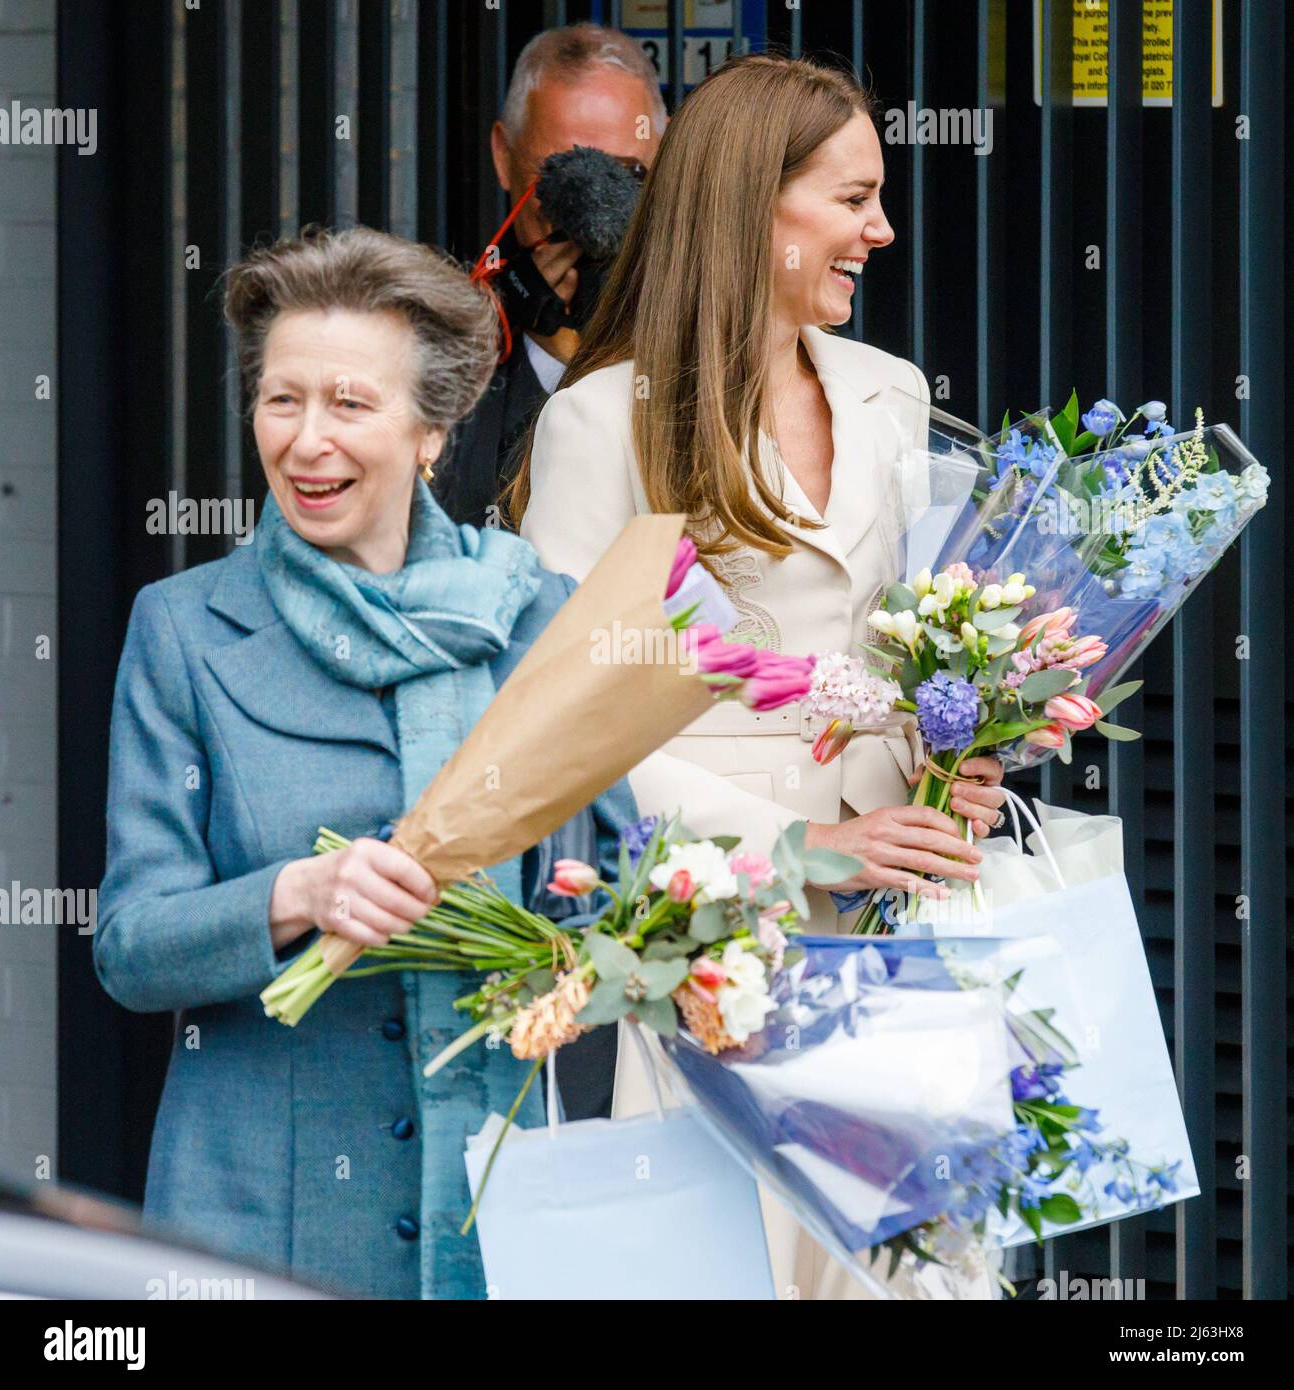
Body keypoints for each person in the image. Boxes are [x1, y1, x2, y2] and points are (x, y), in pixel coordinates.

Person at [511, 53, 1008, 1300]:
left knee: (911, 1275)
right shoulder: (600, 422)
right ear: (752, 204)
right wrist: (799, 845)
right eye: (852, 199)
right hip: (711, 943)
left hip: (901, 933)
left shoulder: (890, 393)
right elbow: (565, 718)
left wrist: (960, 756)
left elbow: (905, 647)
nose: (880, 231)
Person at [94, 226, 635, 1300]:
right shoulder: (186, 629)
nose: (304, 441)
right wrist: (301, 892)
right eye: (280, 400)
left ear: (433, 431)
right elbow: (131, 947)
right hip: (256, 1220)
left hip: (495, 1201)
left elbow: (605, 896)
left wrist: (610, 939)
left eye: (349, 404)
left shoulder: (536, 615)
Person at [432, 22, 665, 532]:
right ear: (503, 155)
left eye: (628, 174)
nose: (591, 207)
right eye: (560, 174)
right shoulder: (443, 337)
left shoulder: (703, 335)